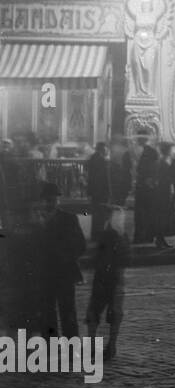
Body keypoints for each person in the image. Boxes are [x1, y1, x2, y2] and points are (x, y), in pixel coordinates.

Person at [38, 182, 85, 337]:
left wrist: (65, 257)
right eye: (47, 199)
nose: (50, 202)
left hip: (63, 271)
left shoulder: (69, 219)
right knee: (47, 312)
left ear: (58, 200)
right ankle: (50, 344)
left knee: (67, 311)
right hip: (46, 273)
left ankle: (71, 346)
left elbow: (80, 245)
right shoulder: (37, 221)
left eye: (52, 199)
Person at [86, 206, 131, 360]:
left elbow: (98, 256)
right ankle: (111, 346)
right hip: (117, 278)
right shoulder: (123, 235)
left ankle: (92, 346)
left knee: (94, 311)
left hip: (103, 277)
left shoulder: (106, 234)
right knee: (115, 313)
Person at [86, 142, 111, 236]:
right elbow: (104, 178)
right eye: (105, 149)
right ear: (102, 149)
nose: (106, 150)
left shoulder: (93, 158)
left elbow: (90, 176)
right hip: (101, 190)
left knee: (95, 212)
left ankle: (94, 233)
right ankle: (99, 233)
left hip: (94, 189)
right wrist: (108, 191)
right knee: (101, 213)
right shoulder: (101, 160)